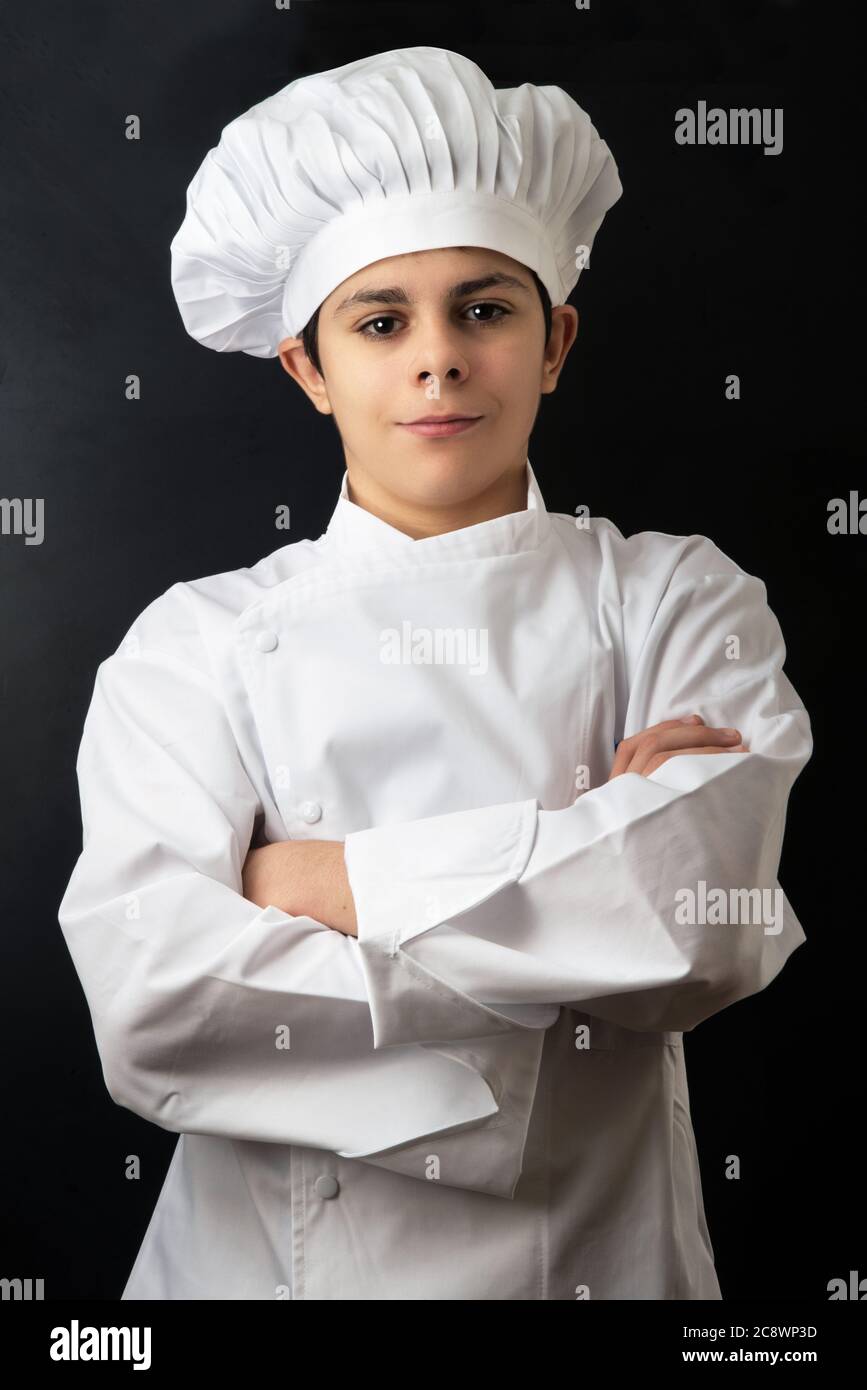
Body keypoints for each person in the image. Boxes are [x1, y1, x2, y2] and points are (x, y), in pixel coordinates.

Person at [57, 46, 811, 1300]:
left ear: (555, 339)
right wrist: (579, 873)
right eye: (379, 319)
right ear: (308, 368)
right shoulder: (194, 642)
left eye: (484, 307)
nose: (438, 360)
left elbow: (695, 922)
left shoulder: (679, 596)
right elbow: (154, 1006)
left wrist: (325, 880)